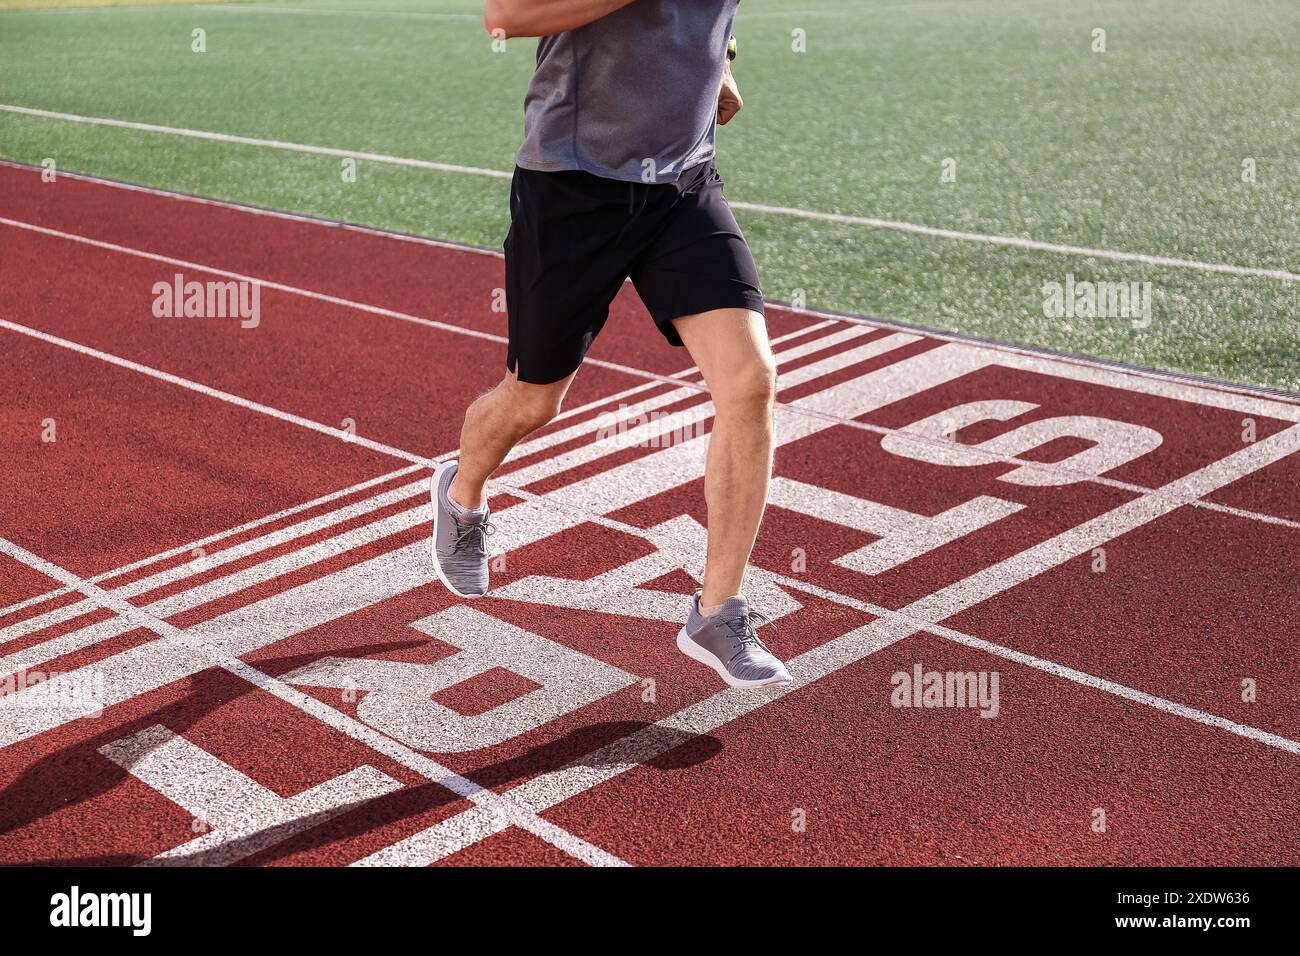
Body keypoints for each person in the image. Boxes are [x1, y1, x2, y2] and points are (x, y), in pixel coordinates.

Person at [431, 0, 791, 688]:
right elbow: (505, 16)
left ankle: (718, 612)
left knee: (749, 382)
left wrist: (719, 61)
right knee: (534, 401)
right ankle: (463, 495)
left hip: (682, 183)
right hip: (571, 187)